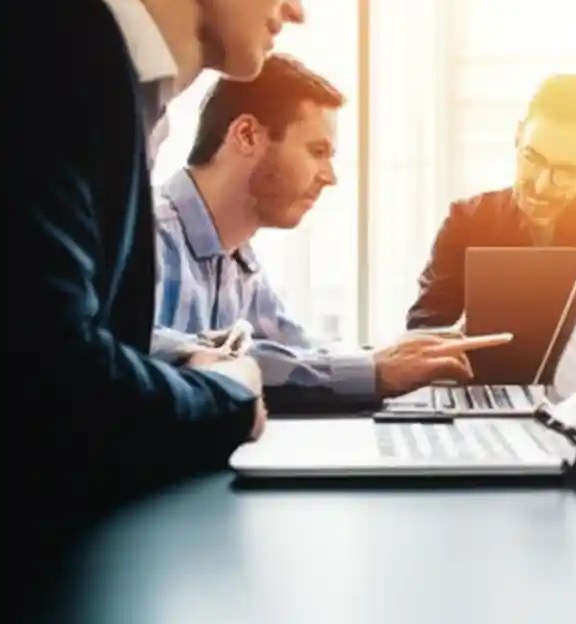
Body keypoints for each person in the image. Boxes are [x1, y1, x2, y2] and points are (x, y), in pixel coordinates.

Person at [0, 0, 311, 581]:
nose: (298, 7)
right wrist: (230, 392)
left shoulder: (117, 91)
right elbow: (54, 383)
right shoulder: (47, 26)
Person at [153, 54, 477, 410]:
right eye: (317, 151)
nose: (330, 176)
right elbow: (163, 353)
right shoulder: (149, 238)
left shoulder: (238, 259)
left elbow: (298, 352)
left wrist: (401, 353)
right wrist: (372, 370)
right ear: (246, 136)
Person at [407, 73, 576, 328]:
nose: (542, 186)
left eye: (569, 172)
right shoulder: (466, 223)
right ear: (518, 135)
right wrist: (453, 338)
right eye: (532, 158)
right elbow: (423, 336)